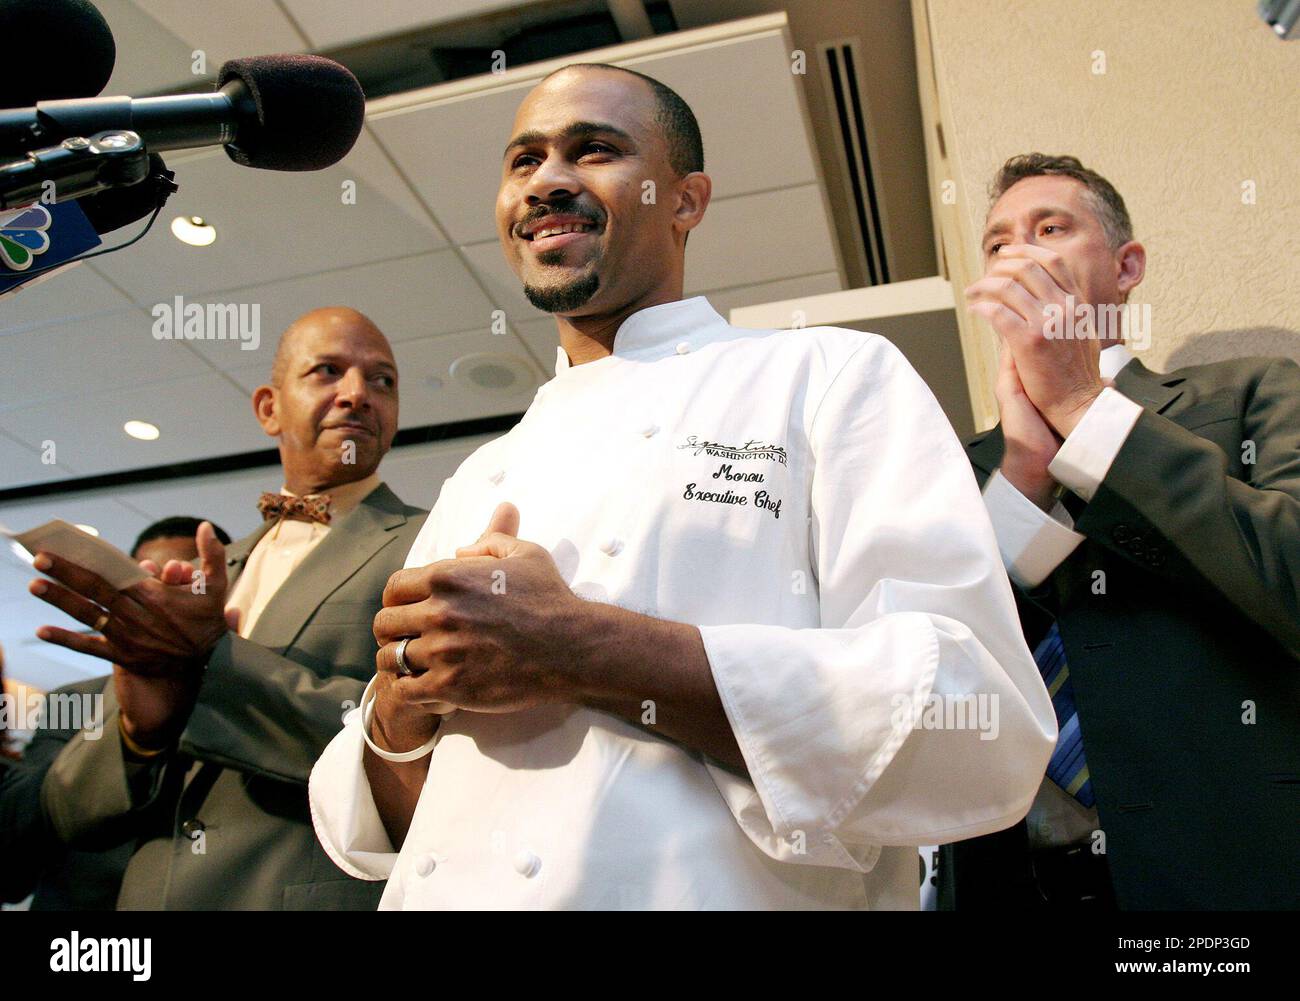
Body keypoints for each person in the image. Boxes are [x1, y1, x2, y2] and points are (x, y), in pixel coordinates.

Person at [308, 63, 1057, 910]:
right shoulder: (480, 473)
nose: (548, 181)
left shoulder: (828, 376)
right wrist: (401, 714)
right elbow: (395, 828)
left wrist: (576, 645)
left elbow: (974, 714)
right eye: (524, 161)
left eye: (593, 151)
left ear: (687, 200)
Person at [941, 153, 1300, 910]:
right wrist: (1026, 487)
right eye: (999, 243)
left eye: (1050, 227)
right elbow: (936, 670)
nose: (1021, 253)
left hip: (1241, 870)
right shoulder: (949, 465)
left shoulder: (1253, 391)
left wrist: (1081, 405)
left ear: (1126, 265)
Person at [30, 307, 428, 910]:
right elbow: (71, 815)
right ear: (268, 407)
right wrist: (140, 731)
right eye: (328, 372)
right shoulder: (198, 578)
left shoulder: (431, 543)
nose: (357, 395)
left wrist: (210, 664)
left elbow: (421, 743)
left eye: (382, 381)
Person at [0, 518, 229, 909]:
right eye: (146, 584)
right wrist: (132, 739)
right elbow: (28, 825)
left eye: (186, 581)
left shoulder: (251, 697)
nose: (163, 600)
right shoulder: (74, 703)